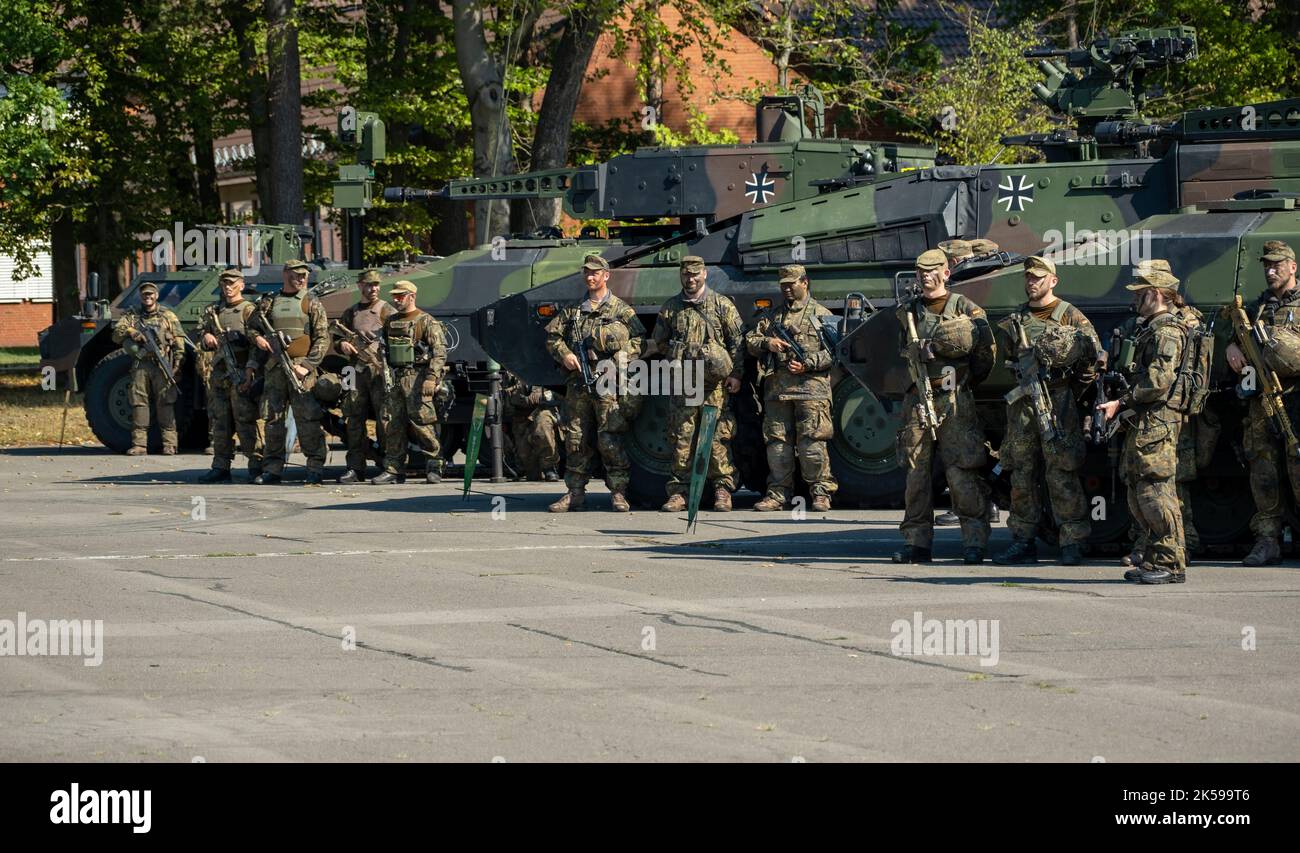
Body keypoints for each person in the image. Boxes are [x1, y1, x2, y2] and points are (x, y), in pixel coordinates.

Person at [993, 256, 1099, 565]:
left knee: (1061, 472)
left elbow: (1091, 356)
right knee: (1022, 474)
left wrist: (1069, 391)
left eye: (1038, 277)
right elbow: (1007, 361)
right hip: (1023, 406)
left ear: (1053, 281)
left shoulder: (1070, 316)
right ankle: (1023, 540)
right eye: (1028, 277)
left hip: (1057, 401)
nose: (1031, 282)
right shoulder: (1017, 320)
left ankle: (1073, 541)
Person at [892, 249, 996, 564]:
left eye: (933, 270)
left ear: (946, 272)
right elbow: (902, 352)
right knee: (916, 475)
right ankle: (916, 543)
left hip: (954, 398)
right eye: (921, 271)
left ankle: (974, 543)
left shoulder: (966, 308)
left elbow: (985, 354)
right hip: (919, 399)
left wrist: (962, 380)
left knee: (962, 472)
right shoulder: (908, 312)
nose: (926, 275)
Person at [1096, 263, 1188, 584]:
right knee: (1139, 492)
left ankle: (1171, 563)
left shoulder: (1167, 331)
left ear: (1156, 294)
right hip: (1142, 422)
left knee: (1156, 491)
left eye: (1140, 294)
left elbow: (1159, 381)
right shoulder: (1149, 327)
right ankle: (1153, 558)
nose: (1135, 300)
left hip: (1157, 423)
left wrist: (1123, 402)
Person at [544, 253, 645, 512]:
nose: (590, 277)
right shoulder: (574, 312)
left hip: (608, 383)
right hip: (579, 383)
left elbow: (641, 340)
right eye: (587, 273)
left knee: (610, 438)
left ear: (606, 275)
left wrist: (623, 355)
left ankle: (619, 492)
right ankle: (574, 492)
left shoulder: (621, 310)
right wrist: (564, 354)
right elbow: (552, 337)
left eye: (595, 273)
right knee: (576, 439)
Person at [1223, 240, 1300, 566]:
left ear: (1292, 266)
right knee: (1262, 470)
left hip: (1295, 398)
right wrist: (1232, 347)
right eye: (1266, 265)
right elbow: (1238, 333)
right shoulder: (1259, 307)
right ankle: (1267, 539)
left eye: (1277, 265)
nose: (1270, 271)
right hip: (1261, 400)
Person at [650, 256, 744, 513]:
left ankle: (722, 490)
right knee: (682, 438)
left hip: (714, 385)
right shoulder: (671, 307)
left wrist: (736, 374)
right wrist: (679, 350)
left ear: (705, 274)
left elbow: (737, 342)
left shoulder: (721, 305)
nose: (690, 279)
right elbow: (658, 342)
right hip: (683, 384)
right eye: (686, 275)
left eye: (695, 274)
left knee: (716, 439)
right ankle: (679, 492)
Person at [744, 264, 838, 512]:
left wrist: (807, 364)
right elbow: (751, 341)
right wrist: (768, 343)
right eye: (783, 285)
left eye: (791, 283)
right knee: (777, 446)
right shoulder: (773, 317)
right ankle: (777, 494)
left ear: (805, 282)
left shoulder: (821, 314)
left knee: (812, 445)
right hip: (777, 391)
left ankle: (820, 492)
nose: (786, 288)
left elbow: (836, 352)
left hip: (811, 389)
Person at [249, 259, 330, 485]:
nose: (302, 279)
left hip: (301, 369)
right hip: (275, 368)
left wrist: (308, 365)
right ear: (285, 274)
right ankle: (272, 468)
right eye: (297, 275)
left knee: (308, 418)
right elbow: (252, 326)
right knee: (273, 419)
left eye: (304, 275)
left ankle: (315, 467)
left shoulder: (311, 302)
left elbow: (323, 338)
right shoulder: (269, 302)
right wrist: (257, 339)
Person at [371, 280, 448, 485]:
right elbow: (384, 348)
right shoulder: (390, 321)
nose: (396, 299)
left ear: (412, 296)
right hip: (396, 379)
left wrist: (431, 378)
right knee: (392, 424)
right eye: (394, 296)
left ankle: (434, 466)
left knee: (423, 424)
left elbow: (439, 352)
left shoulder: (426, 321)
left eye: (401, 295)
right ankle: (393, 469)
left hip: (418, 378)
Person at [197, 269, 263, 482]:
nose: (228, 287)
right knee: (220, 421)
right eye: (224, 283)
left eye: (232, 283)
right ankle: (220, 466)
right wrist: (206, 335)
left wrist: (250, 370)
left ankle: (256, 464)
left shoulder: (248, 310)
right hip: (220, 373)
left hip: (242, 372)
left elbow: (257, 343)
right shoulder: (214, 311)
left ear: (241, 285)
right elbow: (201, 334)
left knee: (245, 420)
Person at [111, 281, 184, 455]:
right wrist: (132, 332)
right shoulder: (132, 316)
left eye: (151, 294)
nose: (148, 297)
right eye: (145, 294)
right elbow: (116, 334)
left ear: (156, 296)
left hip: (162, 364)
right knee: (139, 403)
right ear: (141, 297)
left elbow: (179, 339)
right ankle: (140, 445)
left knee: (166, 402)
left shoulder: (168, 316)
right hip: (141, 364)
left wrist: (178, 363)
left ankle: (169, 444)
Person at [335, 269, 395, 484]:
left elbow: (399, 337)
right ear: (360, 286)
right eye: (369, 285)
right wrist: (342, 345)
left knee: (384, 420)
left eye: (377, 285)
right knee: (353, 418)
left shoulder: (386, 310)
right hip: (355, 372)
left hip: (379, 372)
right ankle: (355, 467)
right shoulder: (351, 313)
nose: (374, 289)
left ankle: (390, 467)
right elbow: (336, 338)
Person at [502, 371, 560, 482]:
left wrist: (543, 396)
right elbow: (506, 395)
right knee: (532, 473)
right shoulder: (511, 371)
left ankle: (549, 467)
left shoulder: (544, 366)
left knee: (542, 429)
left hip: (544, 409)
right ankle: (526, 467)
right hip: (522, 415)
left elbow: (561, 391)